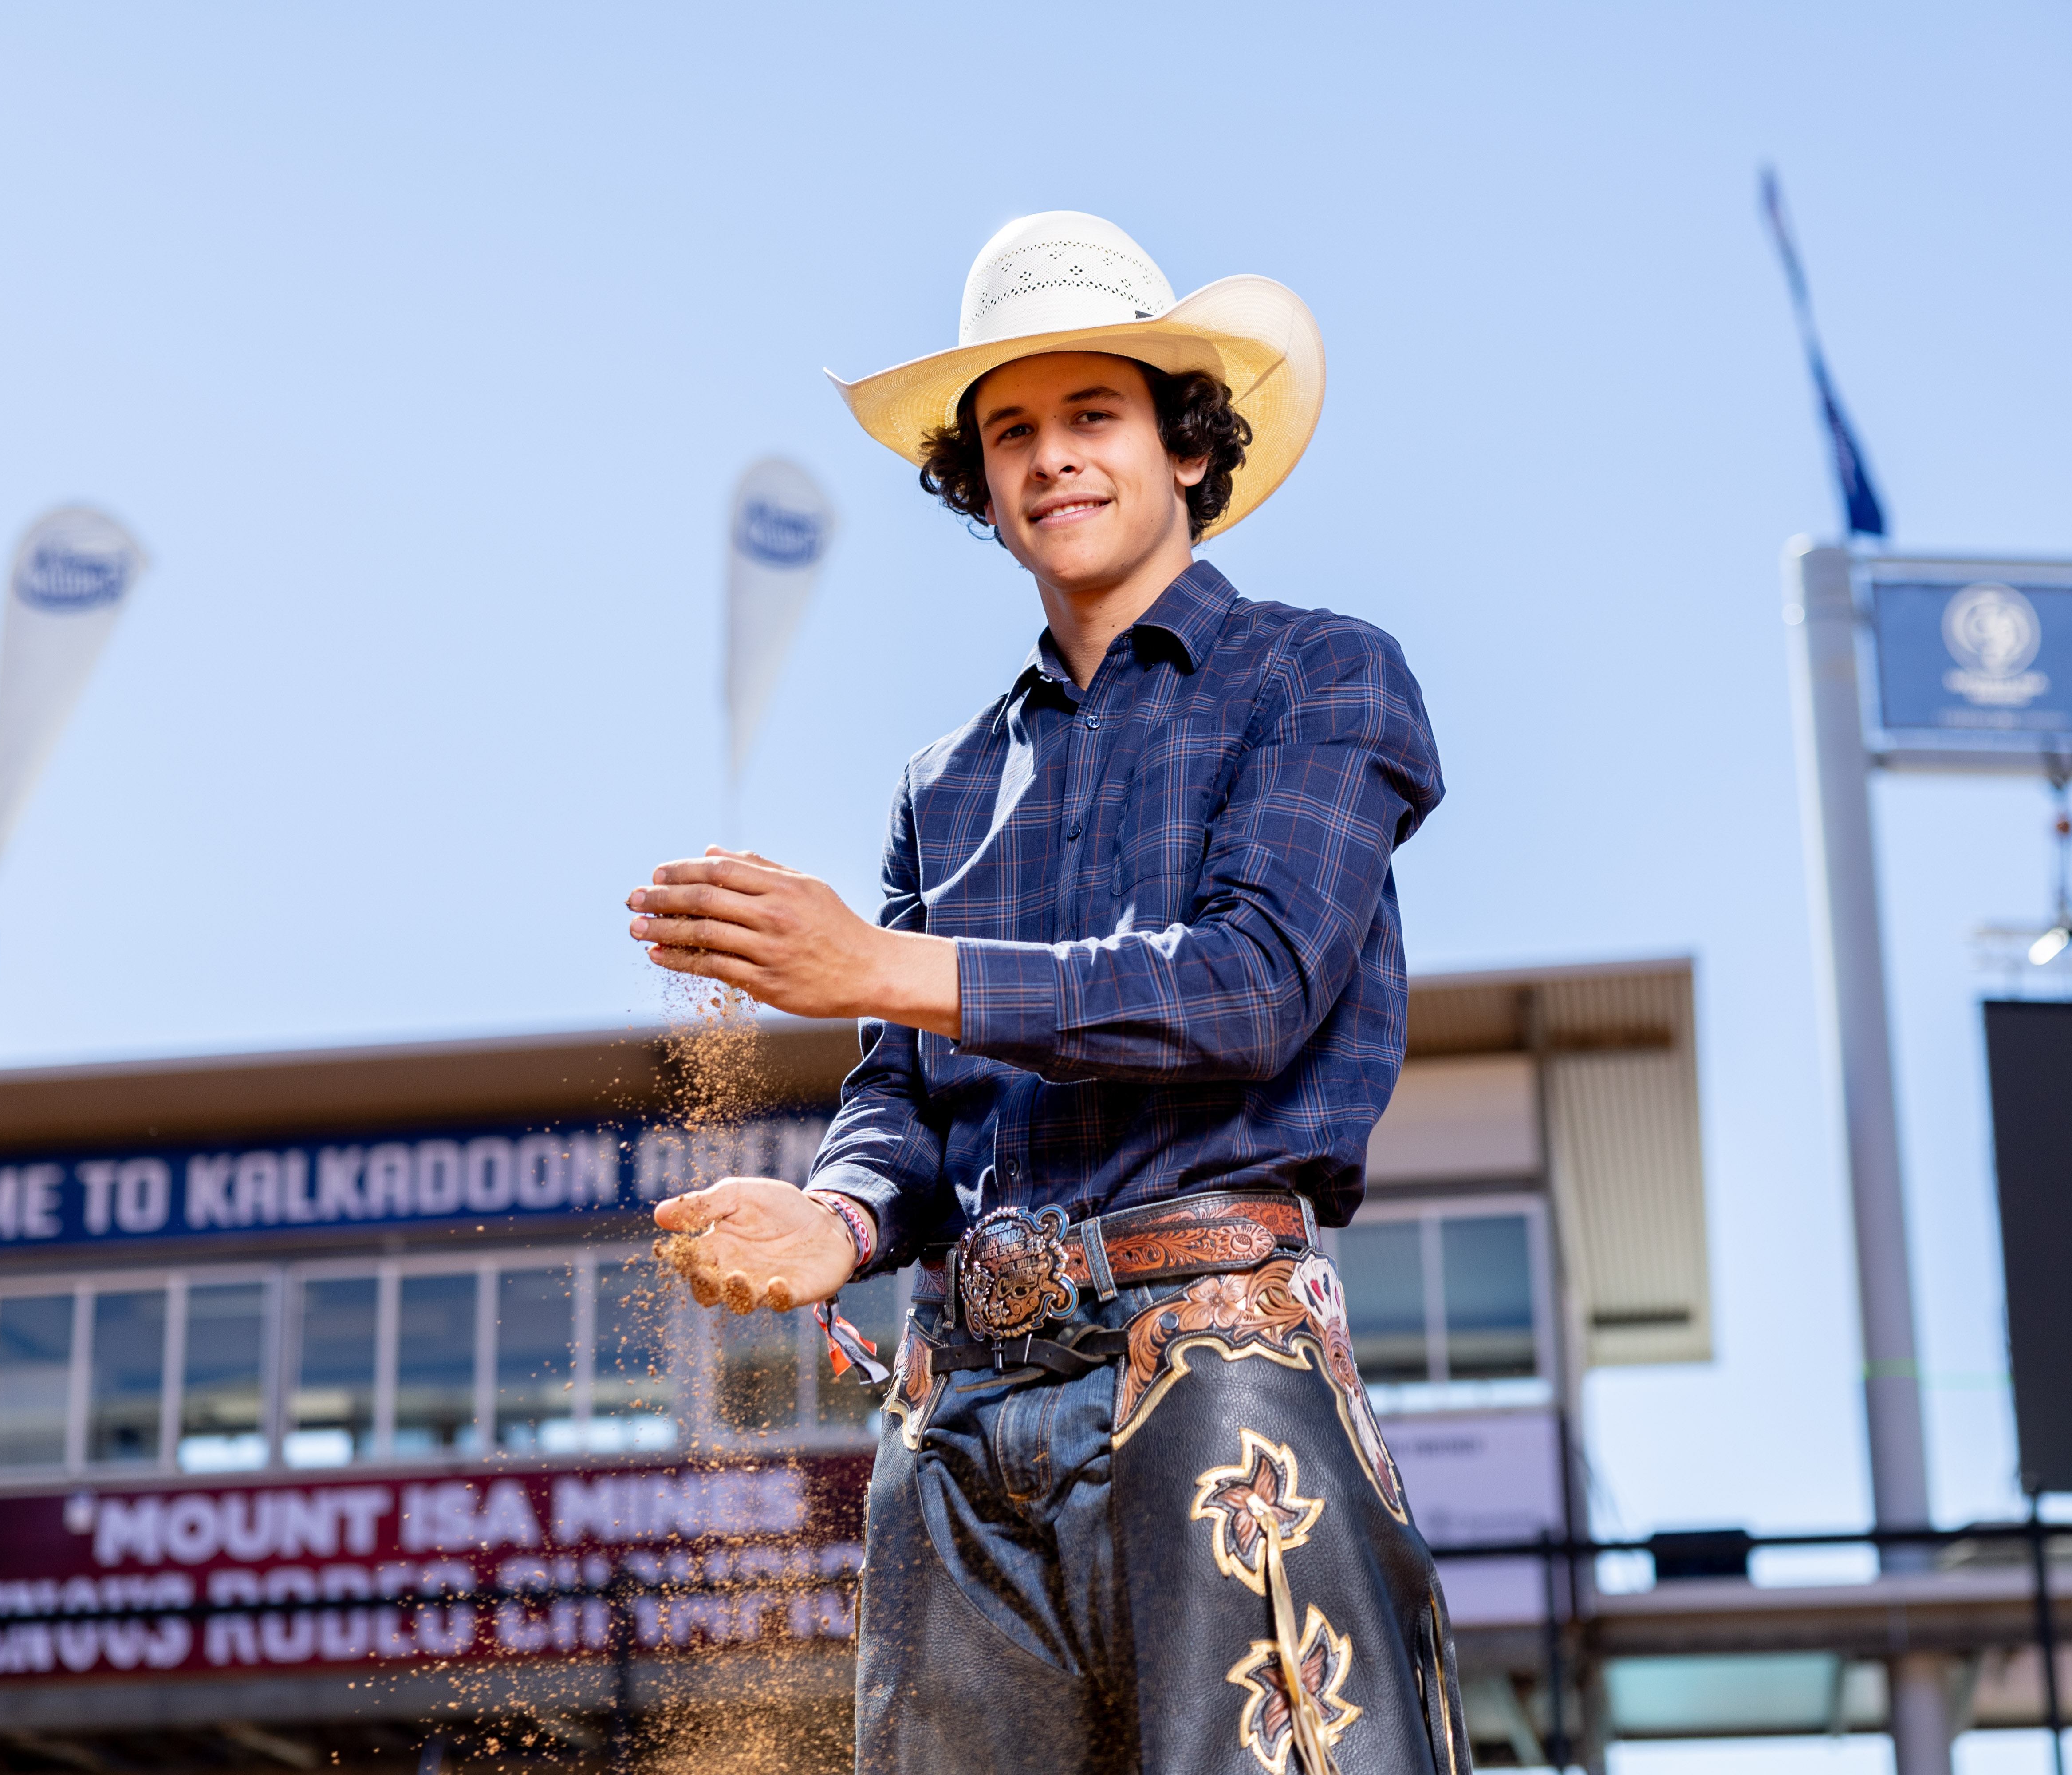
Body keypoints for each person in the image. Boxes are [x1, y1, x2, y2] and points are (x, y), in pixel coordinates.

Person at [626, 212, 1461, 1775]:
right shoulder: (940, 783)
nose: (1053, 459)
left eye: (1095, 416)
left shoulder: (1324, 676)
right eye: (1013, 432)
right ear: (979, 486)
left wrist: (884, 966)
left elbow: (1254, 986)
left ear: (1190, 452)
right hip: (956, 1420)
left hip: (1215, 1370)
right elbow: (900, 1096)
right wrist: (844, 1219)